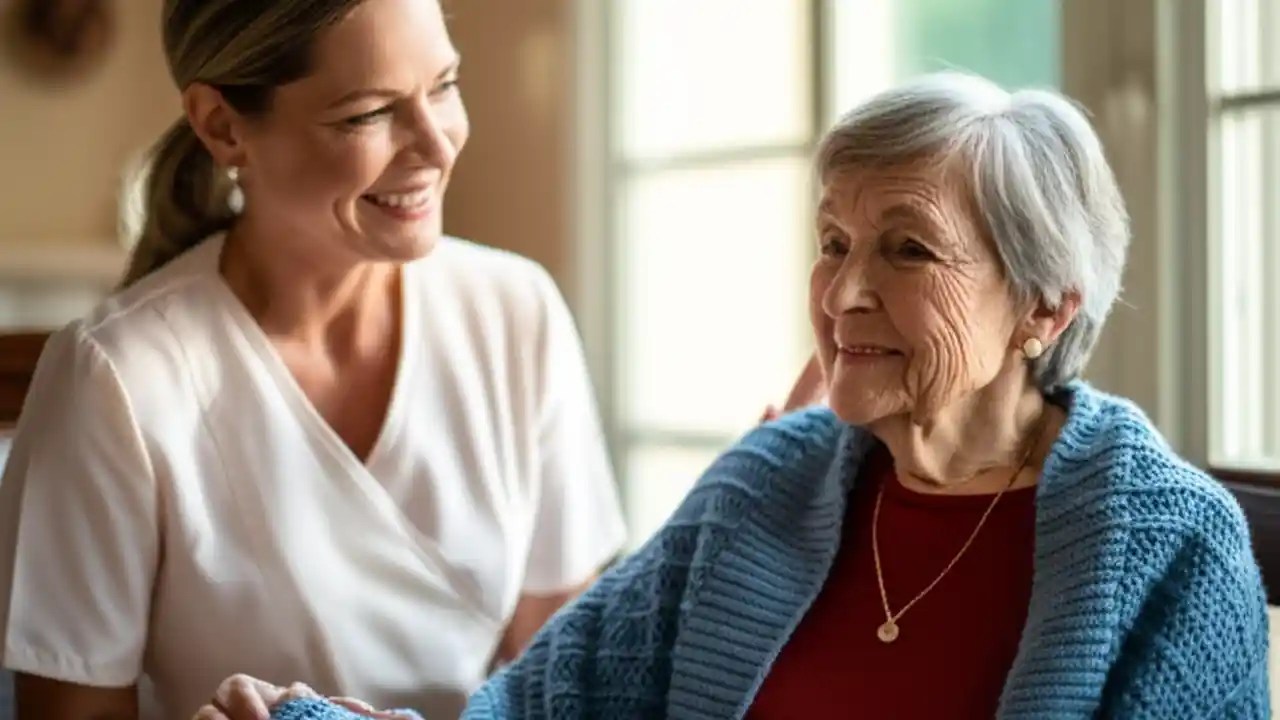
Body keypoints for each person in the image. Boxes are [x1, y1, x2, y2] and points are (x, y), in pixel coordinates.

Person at [211, 72, 1272, 720]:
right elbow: (541, 710)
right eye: (831, 243)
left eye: (905, 250)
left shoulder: (1169, 548)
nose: (843, 291)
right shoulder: (768, 484)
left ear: (1043, 308)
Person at [0, 0, 628, 718]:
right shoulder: (115, 379)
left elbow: (565, 690)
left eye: (445, 85)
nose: (436, 144)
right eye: (368, 114)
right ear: (222, 126)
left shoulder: (518, 312)